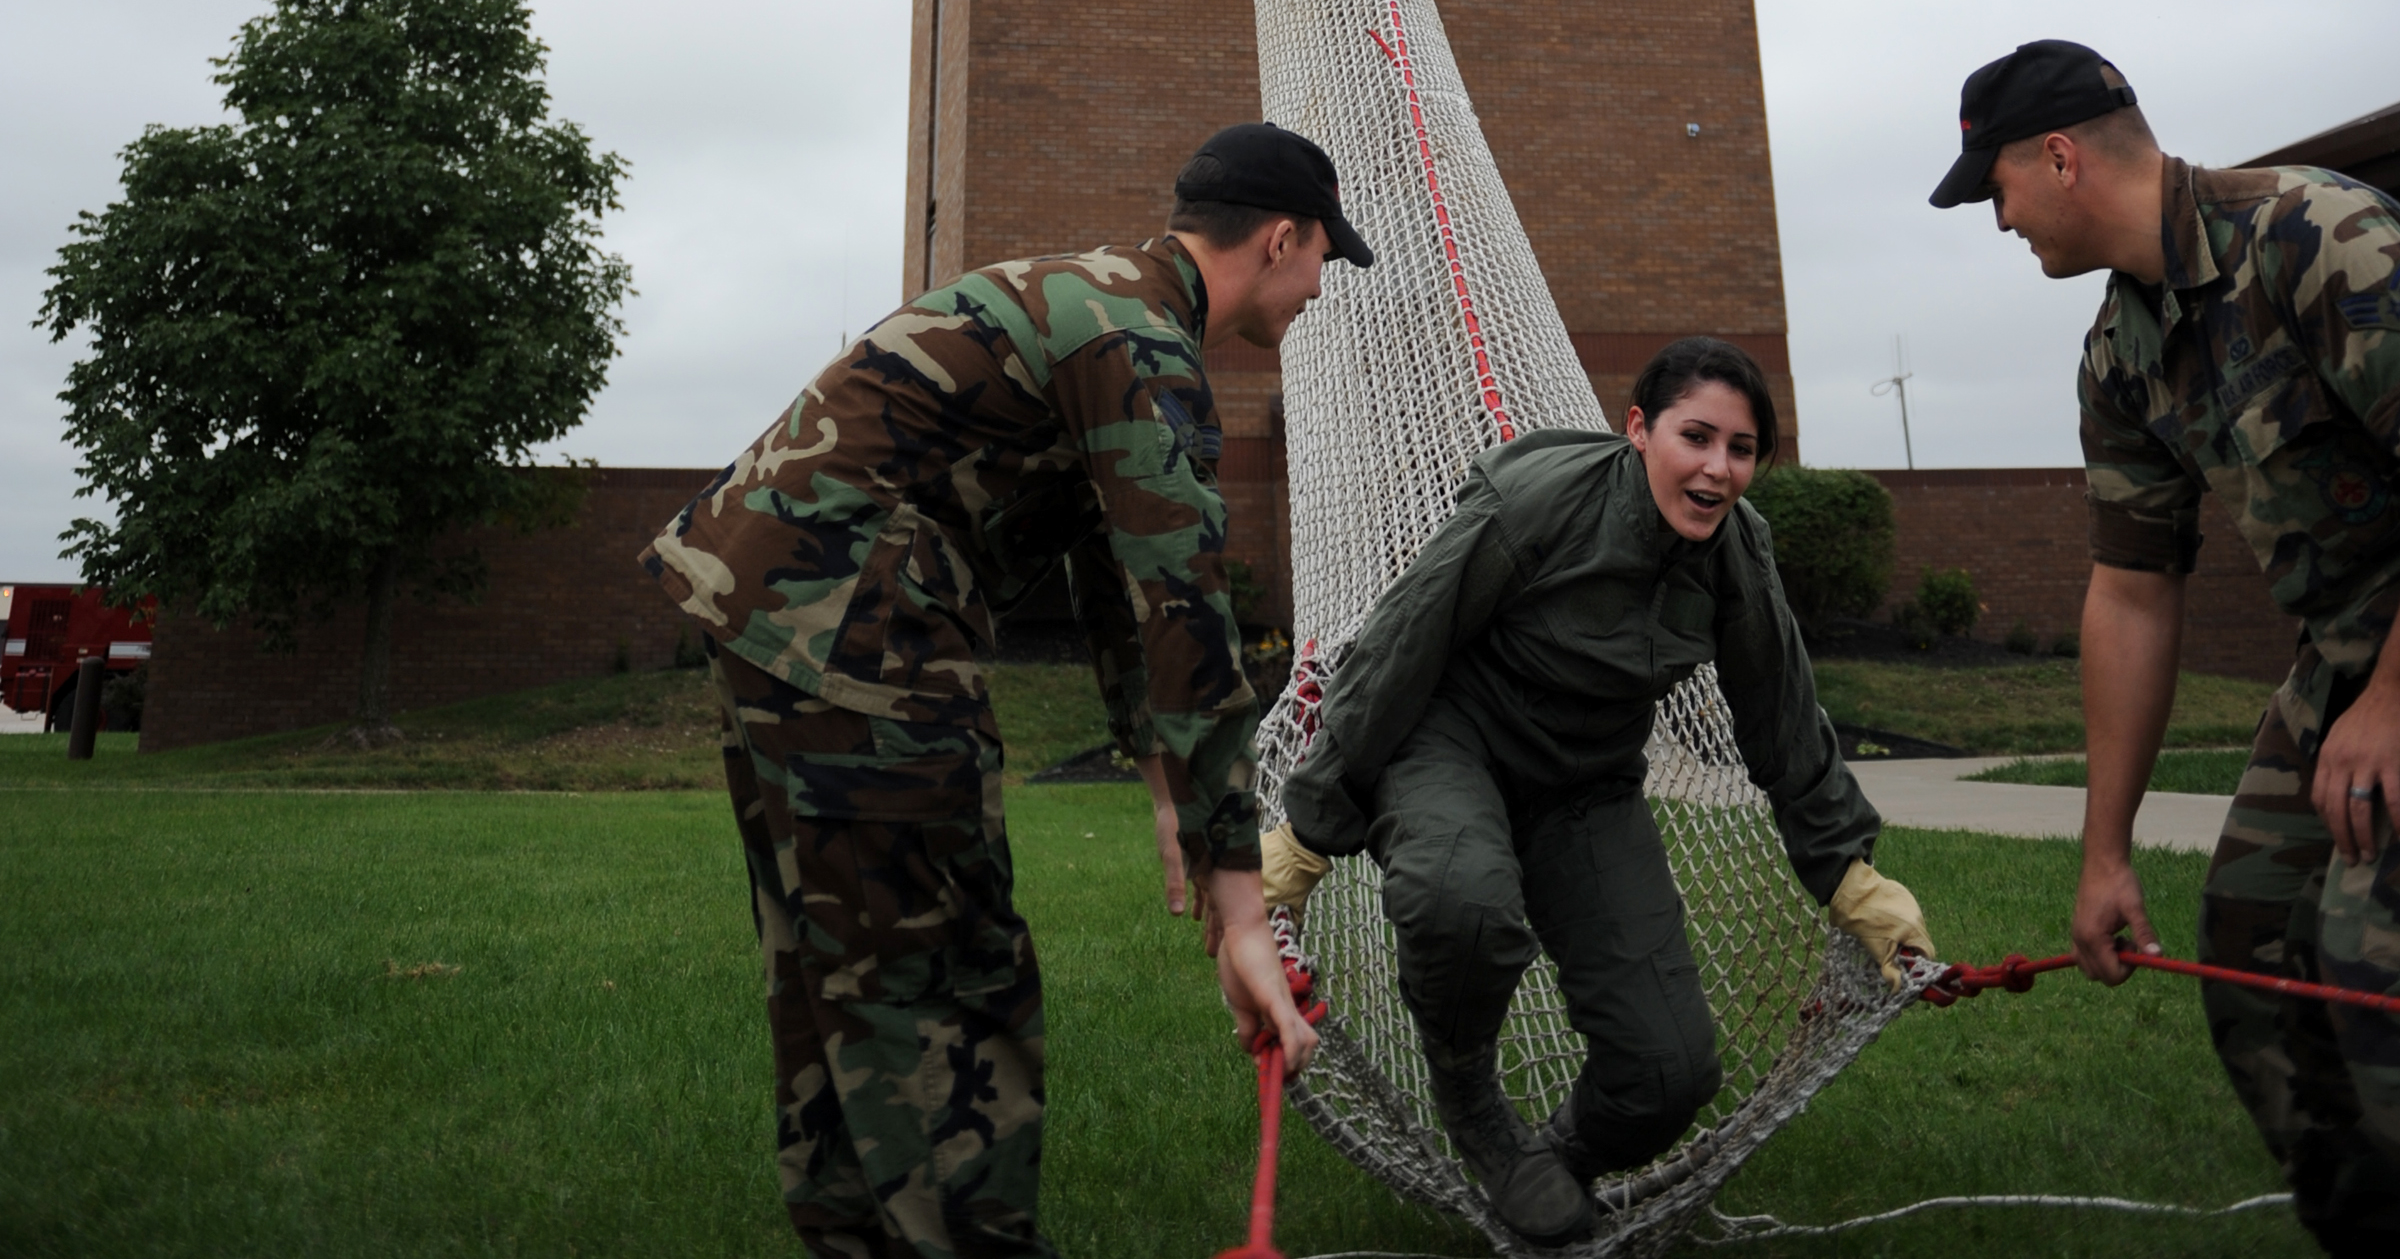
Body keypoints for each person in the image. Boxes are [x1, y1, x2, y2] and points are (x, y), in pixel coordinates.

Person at [644, 122, 1369, 1258]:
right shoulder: (1143, 344)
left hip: (763, 604)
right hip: (855, 618)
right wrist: (1245, 906)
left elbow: (1111, 581)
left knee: (843, 957)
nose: (1322, 289)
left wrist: (1169, 791)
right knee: (947, 965)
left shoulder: (1097, 298)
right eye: (1327, 257)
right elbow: (1186, 607)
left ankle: (860, 1236)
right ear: (1281, 239)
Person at [1255, 338, 1934, 1247]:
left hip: (1583, 783)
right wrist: (1308, 830)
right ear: (1639, 430)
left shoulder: (1737, 552)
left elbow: (1782, 716)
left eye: (1741, 449)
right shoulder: (1538, 502)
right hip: (1450, 745)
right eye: (1696, 436)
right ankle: (1473, 1101)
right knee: (1464, 905)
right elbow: (1400, 646)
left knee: (1671, 1074)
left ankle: (1551, 1162)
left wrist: (1850, 878)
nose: (1717, 469)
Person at [1933, 40, 2400, 1259]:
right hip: (2344, 658)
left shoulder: (2317, 236)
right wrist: (2103, 853)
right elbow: (2133, 591)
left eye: (1993, 188)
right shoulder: (2119, 356)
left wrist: (2393, 701)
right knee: (2248, 948)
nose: (1996, 220)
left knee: (2369, 965)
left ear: (2060, 156)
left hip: (2393, 666)